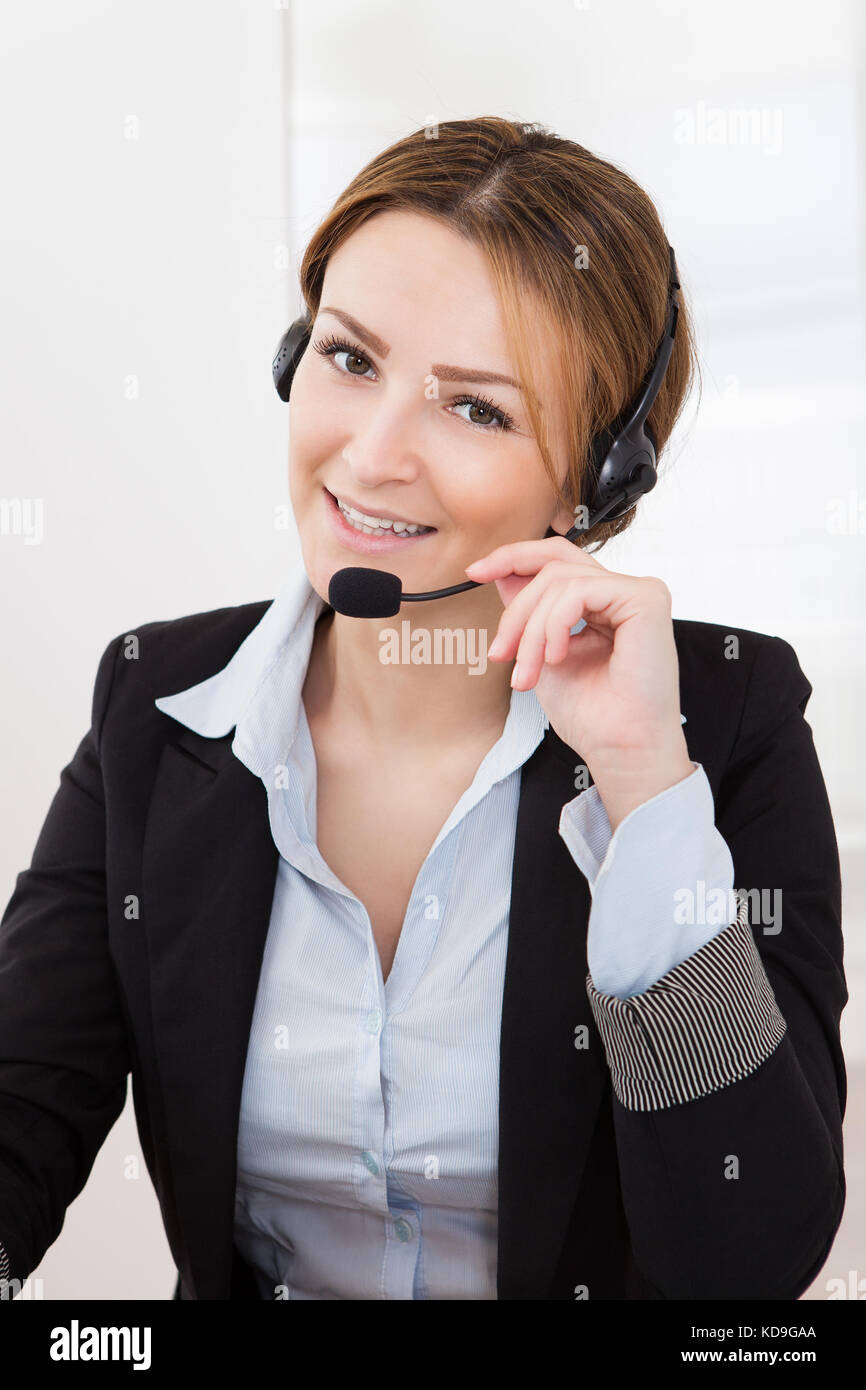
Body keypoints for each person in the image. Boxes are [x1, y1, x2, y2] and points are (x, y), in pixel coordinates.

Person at [0, 117, 846, 1301]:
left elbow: (744, 1262)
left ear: (598, 481)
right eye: (349, 358)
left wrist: (644, 786)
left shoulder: (725, 720)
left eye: (476, 409)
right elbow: (22, 1111)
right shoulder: (157, 702)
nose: (373, 452)